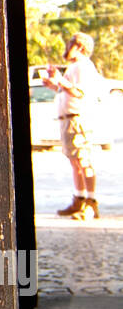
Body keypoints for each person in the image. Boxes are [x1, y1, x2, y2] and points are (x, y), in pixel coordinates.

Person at [43, 32, 102, 221]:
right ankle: (79, 199)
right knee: (75, 162)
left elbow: (78, 92)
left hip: (78, 119)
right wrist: (54, 84)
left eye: (71, 44)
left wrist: (60, 80)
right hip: (68, 119)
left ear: (81, 47)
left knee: (84, 161)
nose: (67, 47)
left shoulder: (83, 67)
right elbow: (66, 90)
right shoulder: (74, 67)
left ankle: (90, 204)